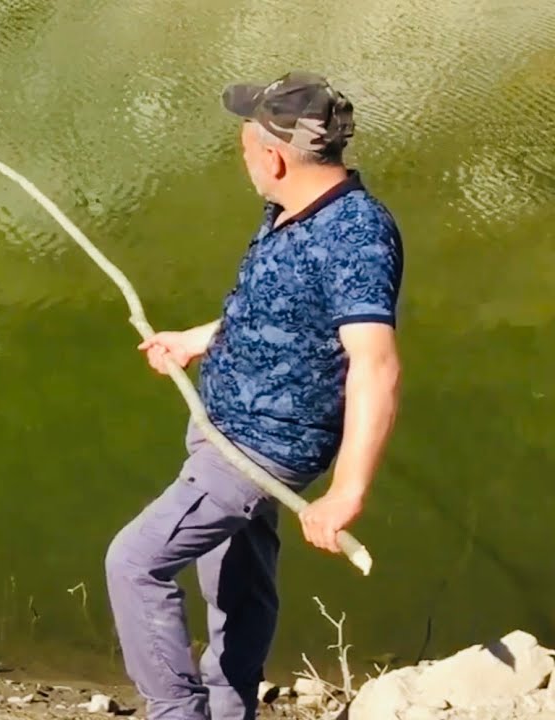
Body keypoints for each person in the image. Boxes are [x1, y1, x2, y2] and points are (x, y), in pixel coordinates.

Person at [103, 71, 403, 720]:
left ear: (273, 158)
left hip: (258, 450)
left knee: (133, 563)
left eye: (244, 149)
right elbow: (277, 313)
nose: (242, 162)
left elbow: (376, 367)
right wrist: (196, 341)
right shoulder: (291, 210)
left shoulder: (356, 236)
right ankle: (229, 707)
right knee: (235, 580)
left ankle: (175, 712)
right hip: (224, 427)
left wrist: (346, 492)